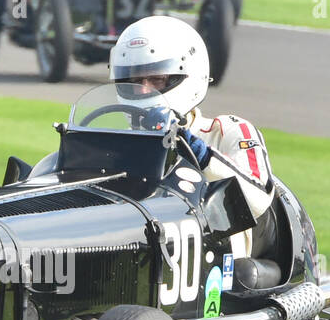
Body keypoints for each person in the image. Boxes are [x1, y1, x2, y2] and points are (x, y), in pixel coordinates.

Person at [109, 15, 277, 264]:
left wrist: (201, 155)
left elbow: (260, 198)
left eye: (156, 79)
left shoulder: (226, 131)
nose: (143, 90)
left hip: (219, 271)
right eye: (134, 80)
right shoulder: (114, 143)